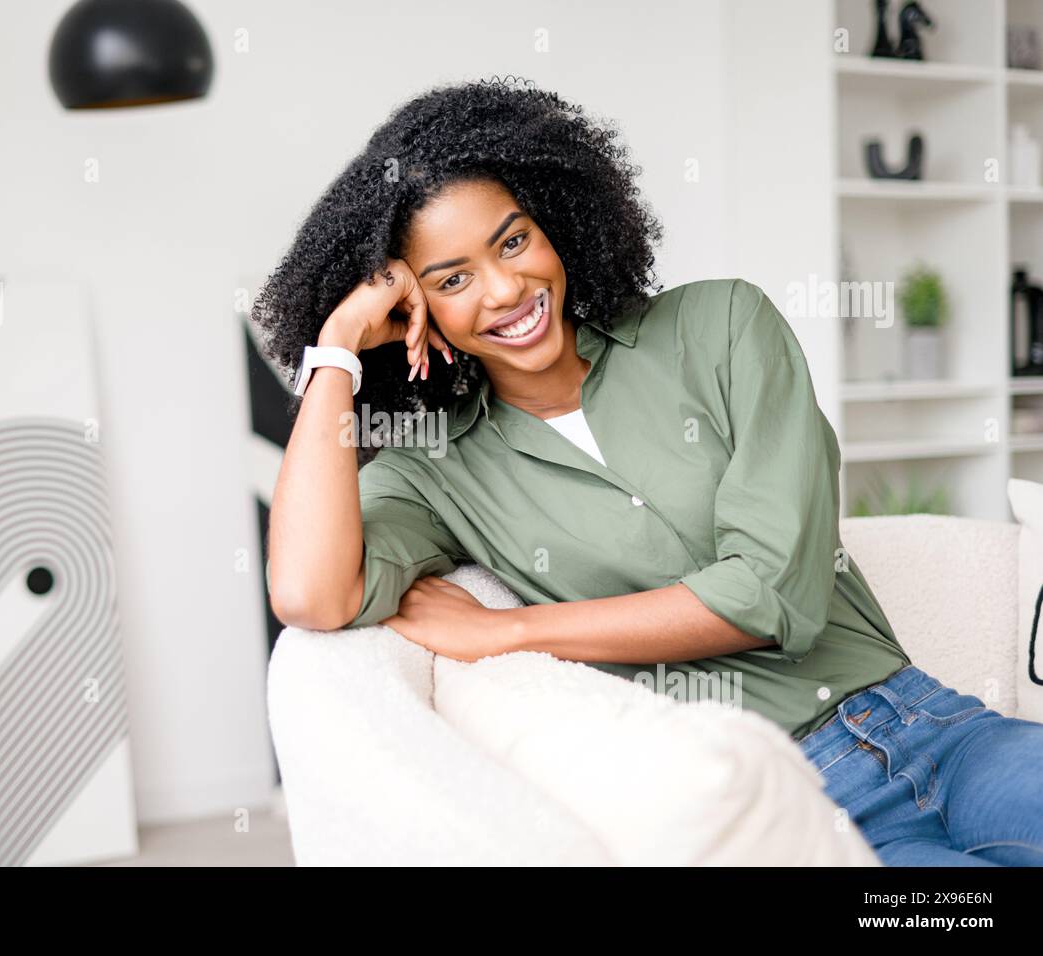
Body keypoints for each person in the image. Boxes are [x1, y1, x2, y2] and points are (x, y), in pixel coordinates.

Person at [252, 76, 1043, 866]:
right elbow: (309, 594)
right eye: (451, 280)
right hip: (791, 803)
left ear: (557, 223)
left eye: (513, 240)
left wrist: (510, 632)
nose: (505, 290)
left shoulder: (723, 325)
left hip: (938, 728)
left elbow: (773, 591)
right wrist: (339, 345)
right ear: (416, 312)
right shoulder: (434, 467)